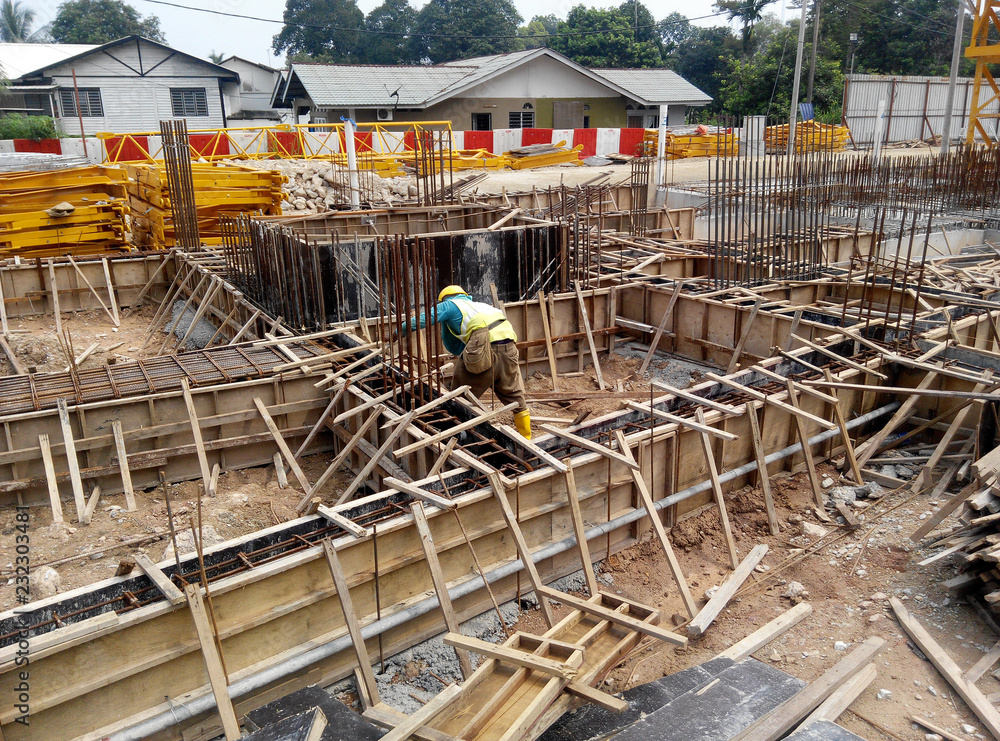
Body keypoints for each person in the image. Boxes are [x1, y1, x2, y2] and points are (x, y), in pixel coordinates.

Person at [403, 285, 532, 439]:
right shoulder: (482, 306)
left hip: (483, 349)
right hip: (509, 348)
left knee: (459, 396)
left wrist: (399, 330)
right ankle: (527, 438)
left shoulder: (449, 305)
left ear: (445, 298)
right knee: (513, 394)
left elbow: (421, 320)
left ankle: (458, 437)